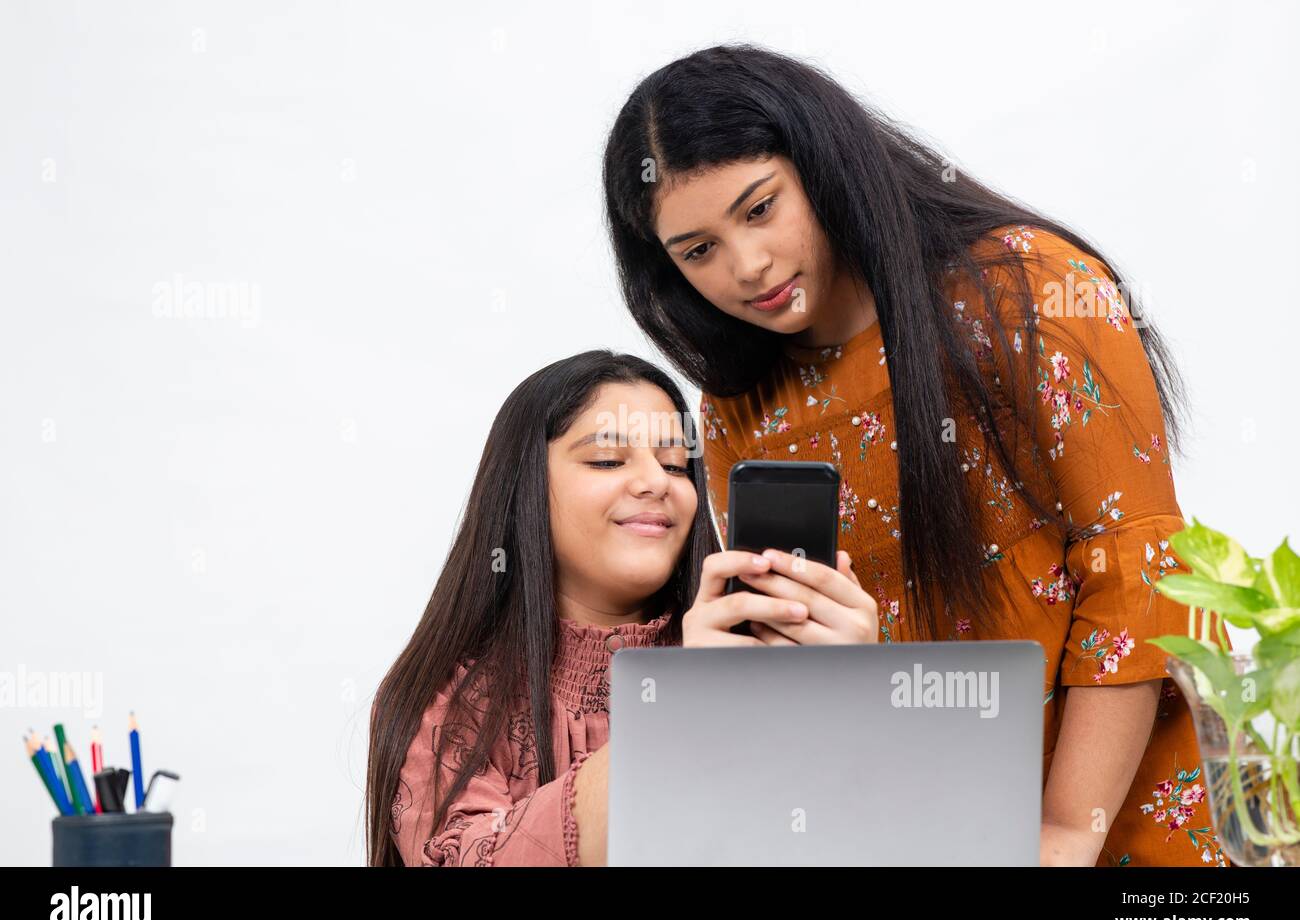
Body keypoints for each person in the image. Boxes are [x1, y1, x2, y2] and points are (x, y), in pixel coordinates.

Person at [601, 43, 1228, 866]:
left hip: (1132, 819)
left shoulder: (1028, 293)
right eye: (697, 251)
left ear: (821, 165)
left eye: (759, 210)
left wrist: (1071, 831)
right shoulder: (737, 408)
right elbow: (813, 677)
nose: (746, 268)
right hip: (921, 828)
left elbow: (1138, 570)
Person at [366, 349, 877, 866]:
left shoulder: (757, 657)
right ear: (524, 490)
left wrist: (859, 703)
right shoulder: (448, 699)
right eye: (607, 459)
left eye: (676, 465)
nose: (657, 482)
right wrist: (681, 708)